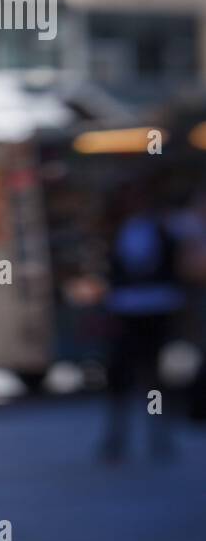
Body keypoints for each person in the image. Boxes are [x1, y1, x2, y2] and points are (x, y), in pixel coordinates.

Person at [101, 183, 183, 462]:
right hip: (127, 309)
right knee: (121, 374)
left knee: (154, 375)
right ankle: (117, 436)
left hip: (156, 307)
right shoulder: (120, 232)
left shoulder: (162, 229)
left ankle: (158, 436)